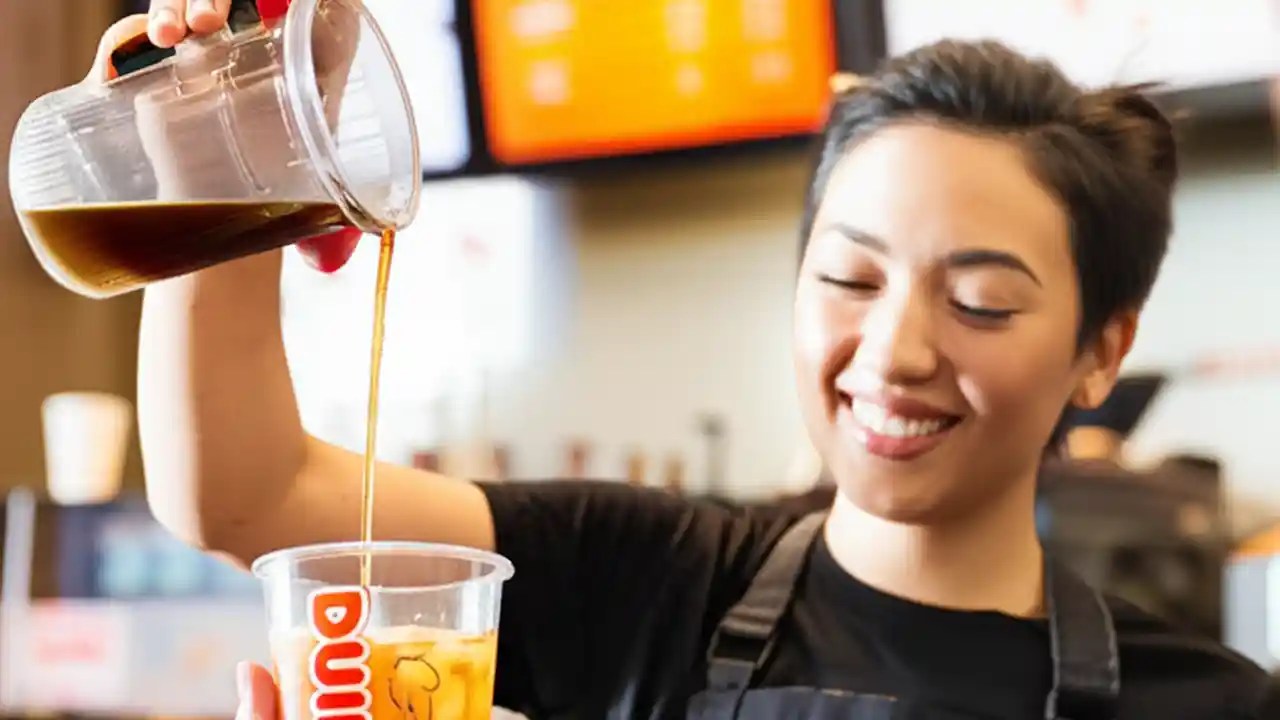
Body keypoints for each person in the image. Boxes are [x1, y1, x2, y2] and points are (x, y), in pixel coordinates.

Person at [100, 3, 1280, 718]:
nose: (893, 350)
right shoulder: (654, 581)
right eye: (850, 279)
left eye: (977, 301)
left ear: (1099, 351)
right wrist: (216, 166)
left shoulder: (1211, 705)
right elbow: (245, 494)